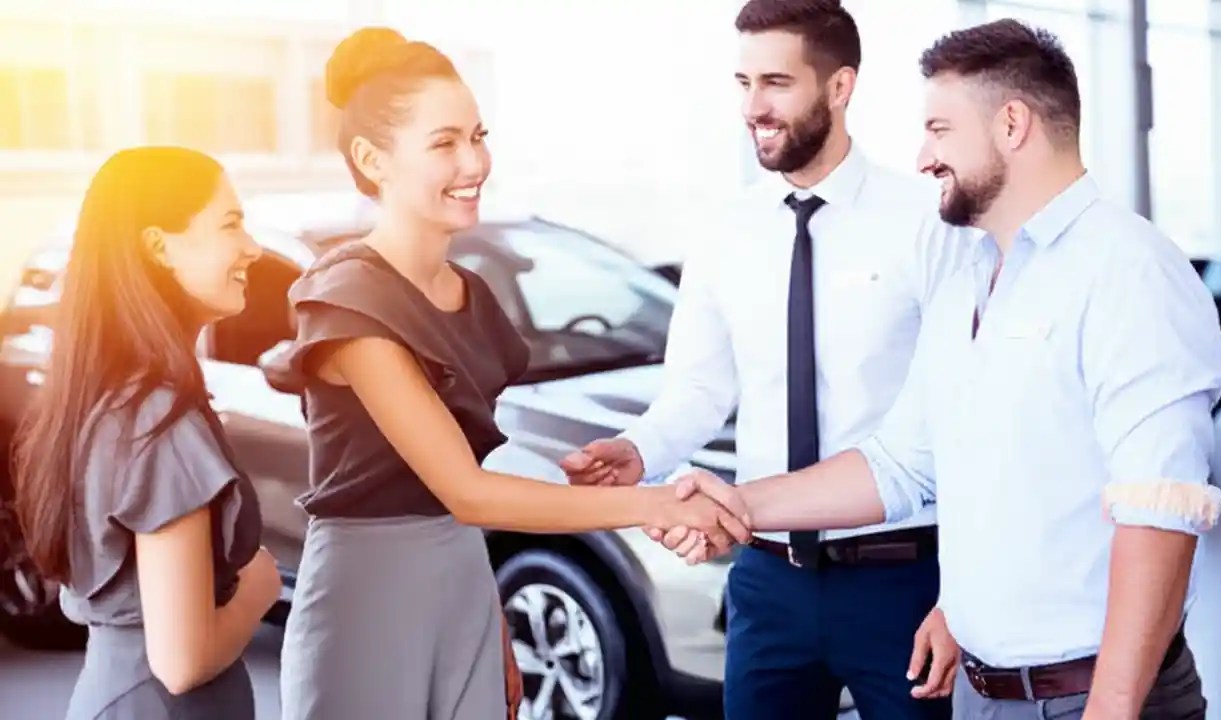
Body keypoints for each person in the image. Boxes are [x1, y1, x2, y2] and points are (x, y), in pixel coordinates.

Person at [666, 18, 1221, 720]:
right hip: (985, 695)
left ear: (1012, 125)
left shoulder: (1129, 272)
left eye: (940, 129)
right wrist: (739, 504)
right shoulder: (968, 276)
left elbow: (1159, 516)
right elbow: (901, 465)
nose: (924, 156)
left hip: (1094, 698)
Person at [270, 27, 752, 720]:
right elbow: (467, 490)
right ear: (374, 160)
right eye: (444, 143)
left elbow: (464, 511)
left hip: (464, 579)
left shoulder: (472, 294)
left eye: (478, 135)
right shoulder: (350, 297)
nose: (474, 161)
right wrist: (654, 503)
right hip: (368, 596)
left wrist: (491, 615)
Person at [560, 1, 972, 717]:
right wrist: (637, 449)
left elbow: (961, 424)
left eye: (776, 82)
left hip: (902, 576)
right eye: (743, 83)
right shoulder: (725, 230)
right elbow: (697, 388)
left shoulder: (928, 224)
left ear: (840, 88)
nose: (754, 107)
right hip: (766, 578)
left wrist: (962, 593)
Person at [11, 146, 282, 719]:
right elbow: (182, 661)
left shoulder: (115, 398)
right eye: (230, 224)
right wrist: (260, 585)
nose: (253, 248)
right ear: (159, 246)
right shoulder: (156, 419)